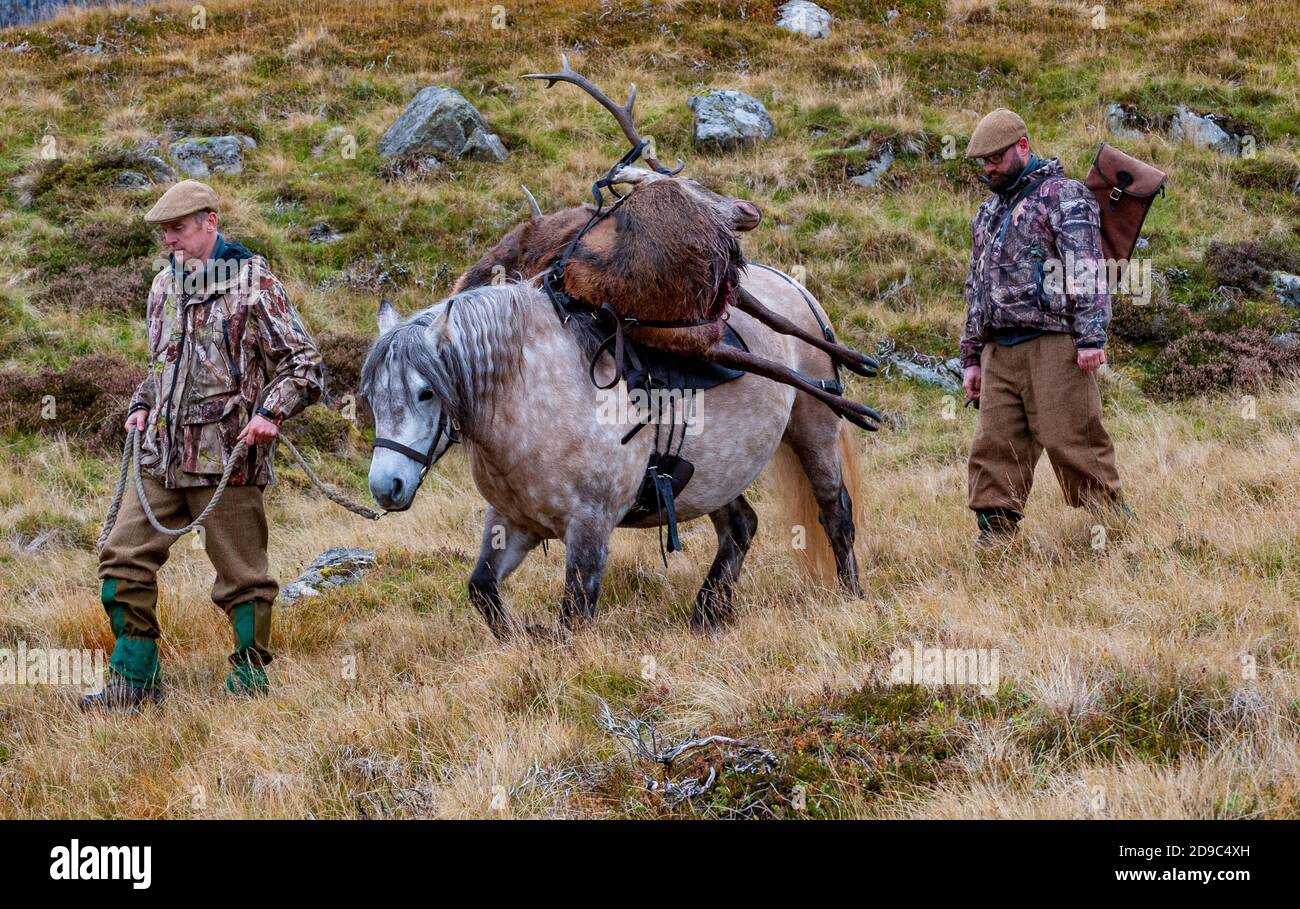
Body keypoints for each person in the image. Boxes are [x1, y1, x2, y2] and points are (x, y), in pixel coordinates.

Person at [87, 180, 324, 711]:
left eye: (178, 228)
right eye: (163, 231)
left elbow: (305, 365)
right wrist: (141, 402)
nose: (169, 239)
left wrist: (270, 411)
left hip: (227, 459)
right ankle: (133, 683)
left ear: (210, 223)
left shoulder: (254, 284)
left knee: (244, 579)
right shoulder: (161, 288)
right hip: (159, 458)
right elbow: (161, 367)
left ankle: (248, 684)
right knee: (120, 559)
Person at [959, 109, 1131, 547]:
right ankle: (995, 540)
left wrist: (1092, 337)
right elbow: (976, 286)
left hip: (1054, 344)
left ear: (1022, 146)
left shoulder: (1064, 196)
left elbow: (1087, 269)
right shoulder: (986, 213)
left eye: (995, 158)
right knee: (994, 448)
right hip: (998, 350)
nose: (989, 168)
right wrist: (971, 357)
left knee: (1072, 439)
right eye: (983, 162)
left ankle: (1113, 529)